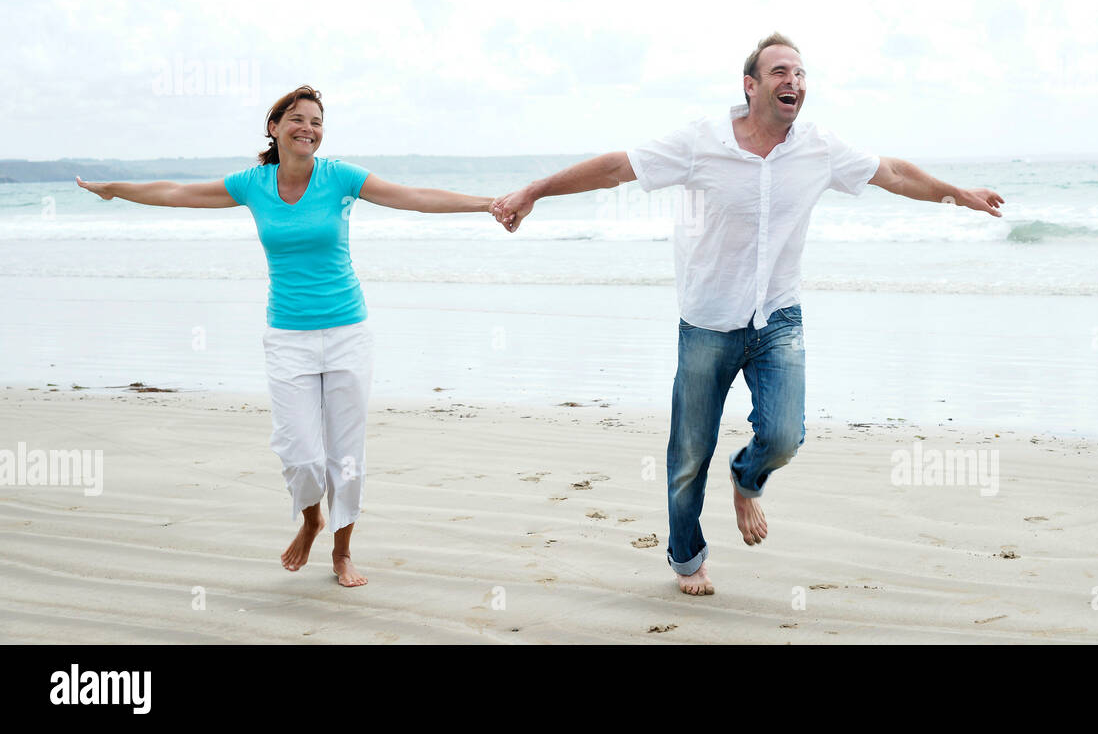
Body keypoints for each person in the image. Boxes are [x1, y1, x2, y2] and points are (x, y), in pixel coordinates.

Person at [490, 33, 1005, 596]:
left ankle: (746, 478)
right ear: (750, 85)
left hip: (778, 318)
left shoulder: (819, 147)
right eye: (780, 71)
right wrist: (536, 190)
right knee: (689, 456)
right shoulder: (700, 141)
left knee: (783, 437)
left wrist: (958, 193)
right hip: (707, 321)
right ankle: (687, 558)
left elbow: (895, 174)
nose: (794, 81)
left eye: (801, 74)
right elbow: (617, 167)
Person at [78, 85, 496, 587]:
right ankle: (312, 519)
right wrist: (116, 189)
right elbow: (176, 193)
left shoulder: (340, 177)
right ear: (274, 128)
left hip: (347, 331)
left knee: (346, 455)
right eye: (297, 119)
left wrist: (488, 203)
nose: (308, 129)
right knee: (300, 454)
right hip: (287, 337)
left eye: (316, 121)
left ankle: (342, 552)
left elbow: (415, 198)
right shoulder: (253, 184)